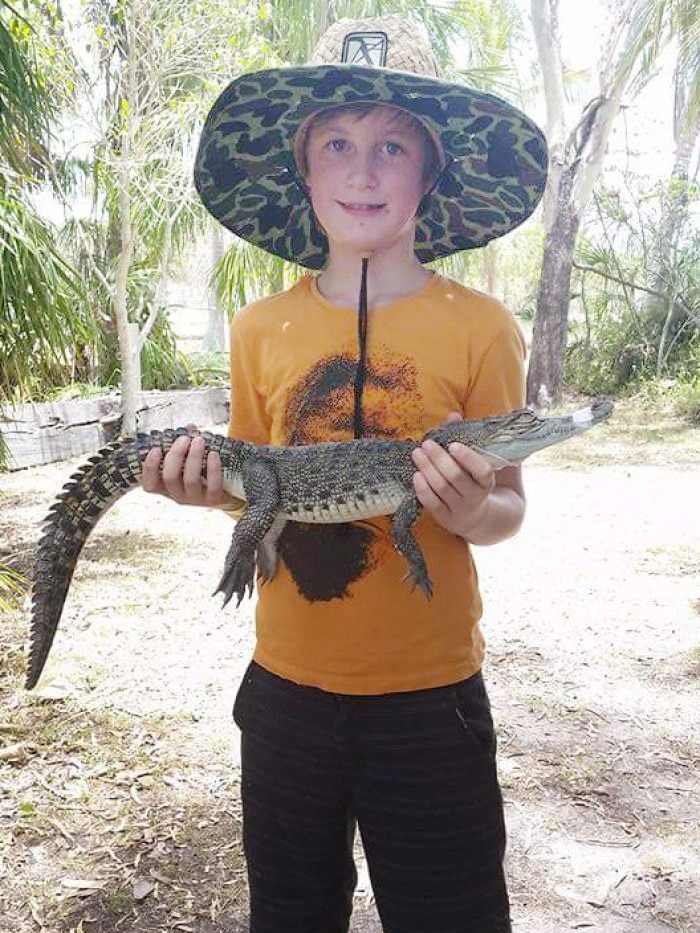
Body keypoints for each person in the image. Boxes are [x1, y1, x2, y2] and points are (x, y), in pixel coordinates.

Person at [141, 16, 547, 933]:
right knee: (289, 915)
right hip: (286, 690)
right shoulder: (258, 328)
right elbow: (259, 482)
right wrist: (209, 492)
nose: (363, 171)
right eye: (338, 144)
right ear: (305, 168)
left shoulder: (483, 326)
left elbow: (510, 508)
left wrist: (475, 505)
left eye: (392, 144)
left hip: (432, 696)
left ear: (429, 171)